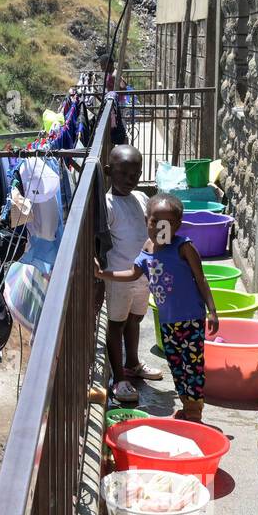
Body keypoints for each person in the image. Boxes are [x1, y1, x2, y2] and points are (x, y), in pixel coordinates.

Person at [97, 193, 218, 421]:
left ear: (178, 225)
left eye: (168, 223)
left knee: (192, 366)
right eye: (155, 222)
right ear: (147, 222)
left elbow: (201, 279)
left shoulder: (184, 247)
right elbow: (133, 273)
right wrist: (102, 273)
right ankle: (186, 406)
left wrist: (212, 311)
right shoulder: (148, 248)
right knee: (175, 365)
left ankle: (194, 412)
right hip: (167, 322)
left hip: (191, 319)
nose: (160, 228)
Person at [102, 145, 160, 405]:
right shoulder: (108, 204)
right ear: (108, 172)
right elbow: (100, 241)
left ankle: (133, 363)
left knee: (136, 319)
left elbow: (156, 226)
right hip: (120, 276)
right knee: (117, 323)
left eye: (135, 174)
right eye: (123, 173)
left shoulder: (140, 198)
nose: (129, 179)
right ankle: (118, 378)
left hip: (144, 275)